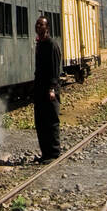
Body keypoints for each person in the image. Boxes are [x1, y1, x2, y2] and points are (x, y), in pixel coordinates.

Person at [33, 15, 62, 161]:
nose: (38, 27)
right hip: (39, 89)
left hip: (49, 90)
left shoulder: (52, 45)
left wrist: (52, 88)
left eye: (41, 25)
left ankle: (54, 153)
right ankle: (45, 153)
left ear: (47, 27)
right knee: (40, 122)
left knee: (51, 122)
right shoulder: (39, 44)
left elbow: (55, 68)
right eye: (37, 25)